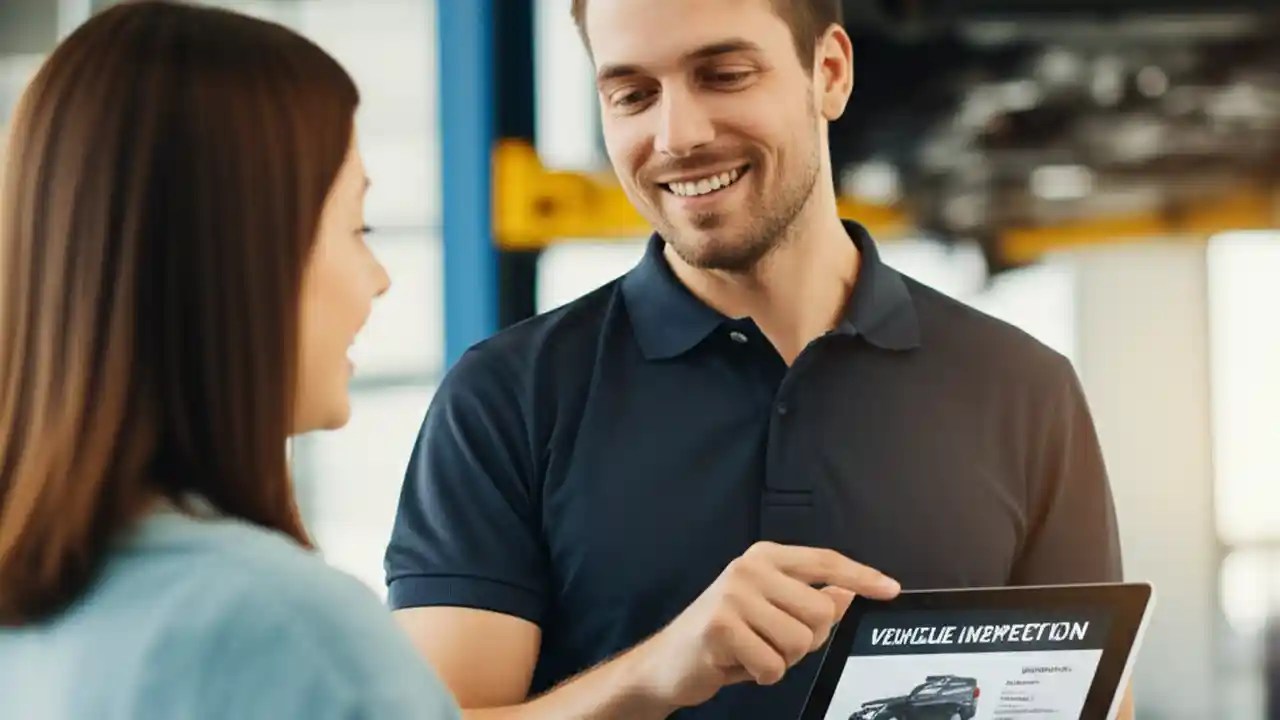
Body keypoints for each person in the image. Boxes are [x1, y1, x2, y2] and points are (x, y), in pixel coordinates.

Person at [384, 0, 1128, 718]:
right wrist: (655, 675)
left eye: (724, 74)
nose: (676, 135)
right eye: (633, 94)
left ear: (829, 72)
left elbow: (1085, 703)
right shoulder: (505, 398)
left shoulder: (1025, 391)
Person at [0, 3, 460, 719]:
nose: (378, 276)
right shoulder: (291, 631)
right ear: (241, 261)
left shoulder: (37, 614)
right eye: (355, 226)